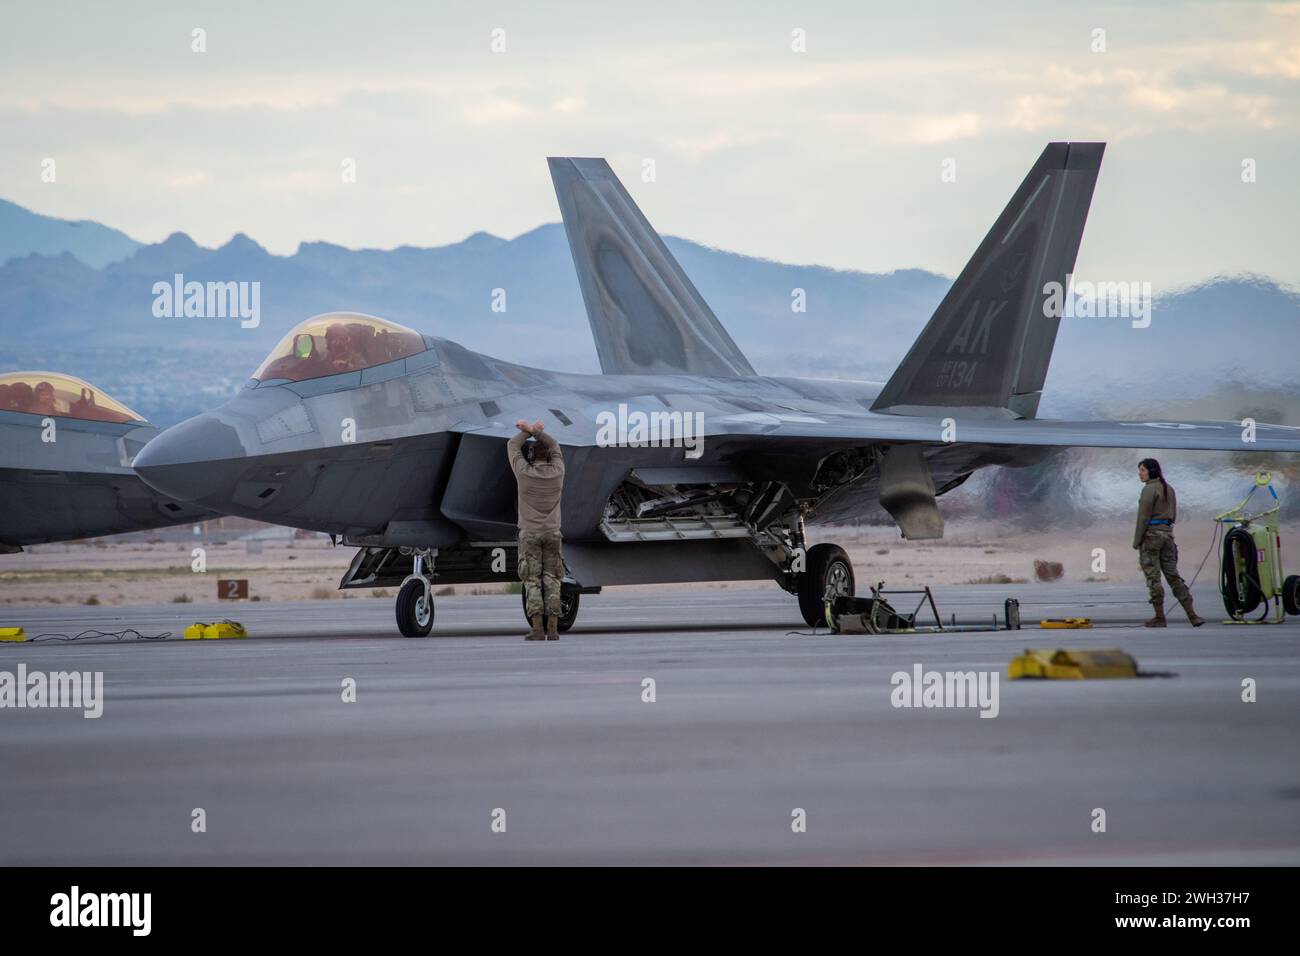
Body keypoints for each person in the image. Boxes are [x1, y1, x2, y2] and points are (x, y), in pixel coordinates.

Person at [507, 419, 566, 641]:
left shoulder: (524, 474)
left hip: (530, 534)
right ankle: (553, 628)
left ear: (531, 456)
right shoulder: (558, 472)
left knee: (532, 579)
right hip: (553, 533)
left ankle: (537, 629)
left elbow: (512, 446)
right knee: (552, 578)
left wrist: (526, 432)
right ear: (549, 456)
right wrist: (538, 433)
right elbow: (555, 446)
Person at [1133, 457, 1205, 628]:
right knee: (1173, 576)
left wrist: (1137, 541)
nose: (1140, 473)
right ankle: (1193, 615)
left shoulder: (1148, 490)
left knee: (1153, 577)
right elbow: (1173, 515)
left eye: (1142, 470)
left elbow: (1143, 518)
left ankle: (1159, 617)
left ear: (1151, 471)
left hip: (1151, 537)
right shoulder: (1169, 489)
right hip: (1168, 536)